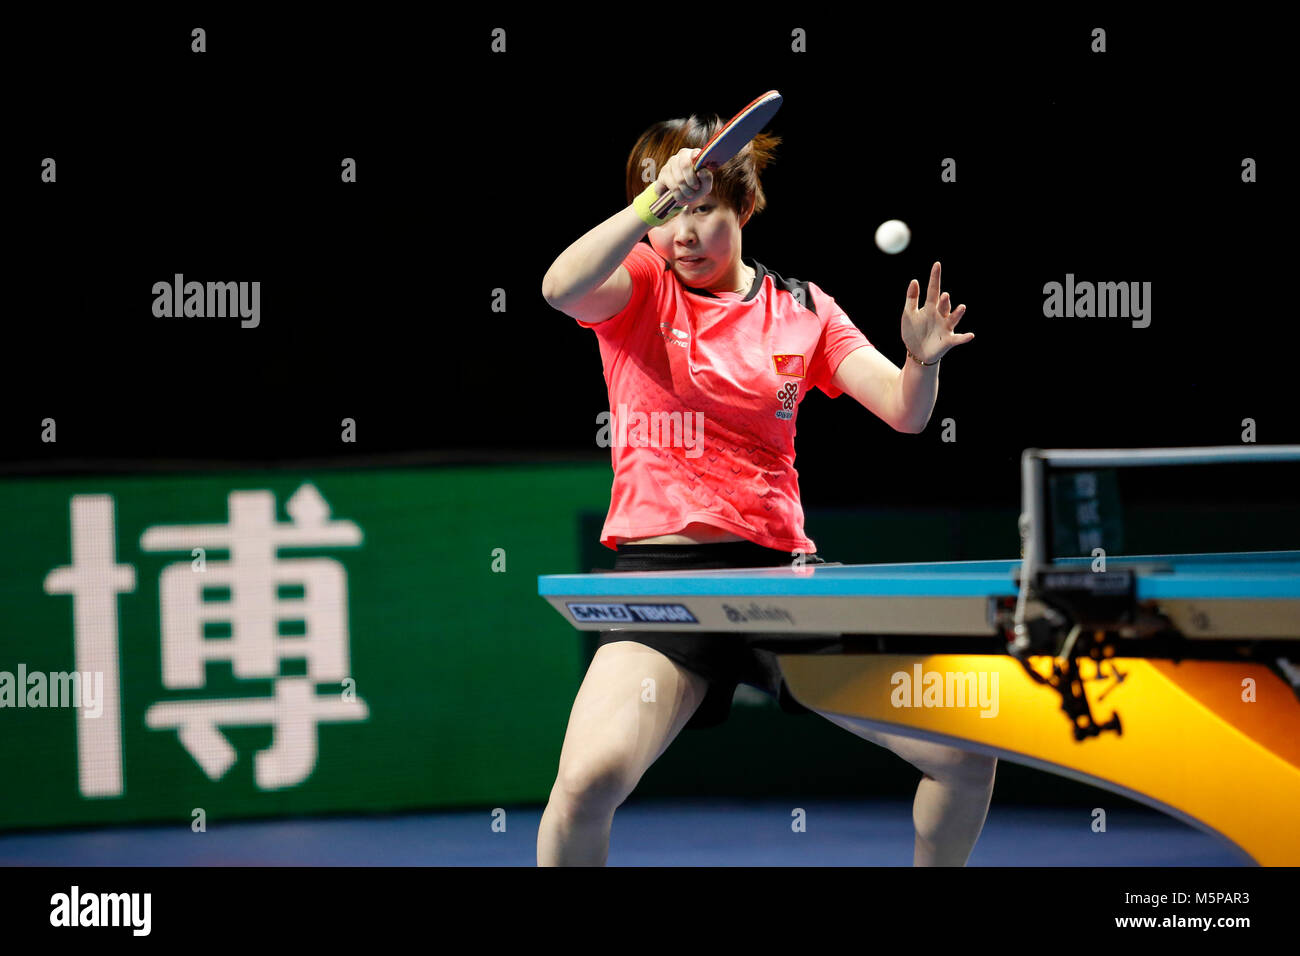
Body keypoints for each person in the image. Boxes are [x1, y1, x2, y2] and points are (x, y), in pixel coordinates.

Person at [538, 109, 988, 866]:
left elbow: (907, 413)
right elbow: (559, 286)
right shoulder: (642, 288)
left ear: (744, 207)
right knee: (587, 780)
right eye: (671, 211)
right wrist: (652, 201)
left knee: (965, 755)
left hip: (781, 584)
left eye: (704, 206)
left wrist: (924, 363)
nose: (683, 231)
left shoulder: (804, 309)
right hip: (664, 589)